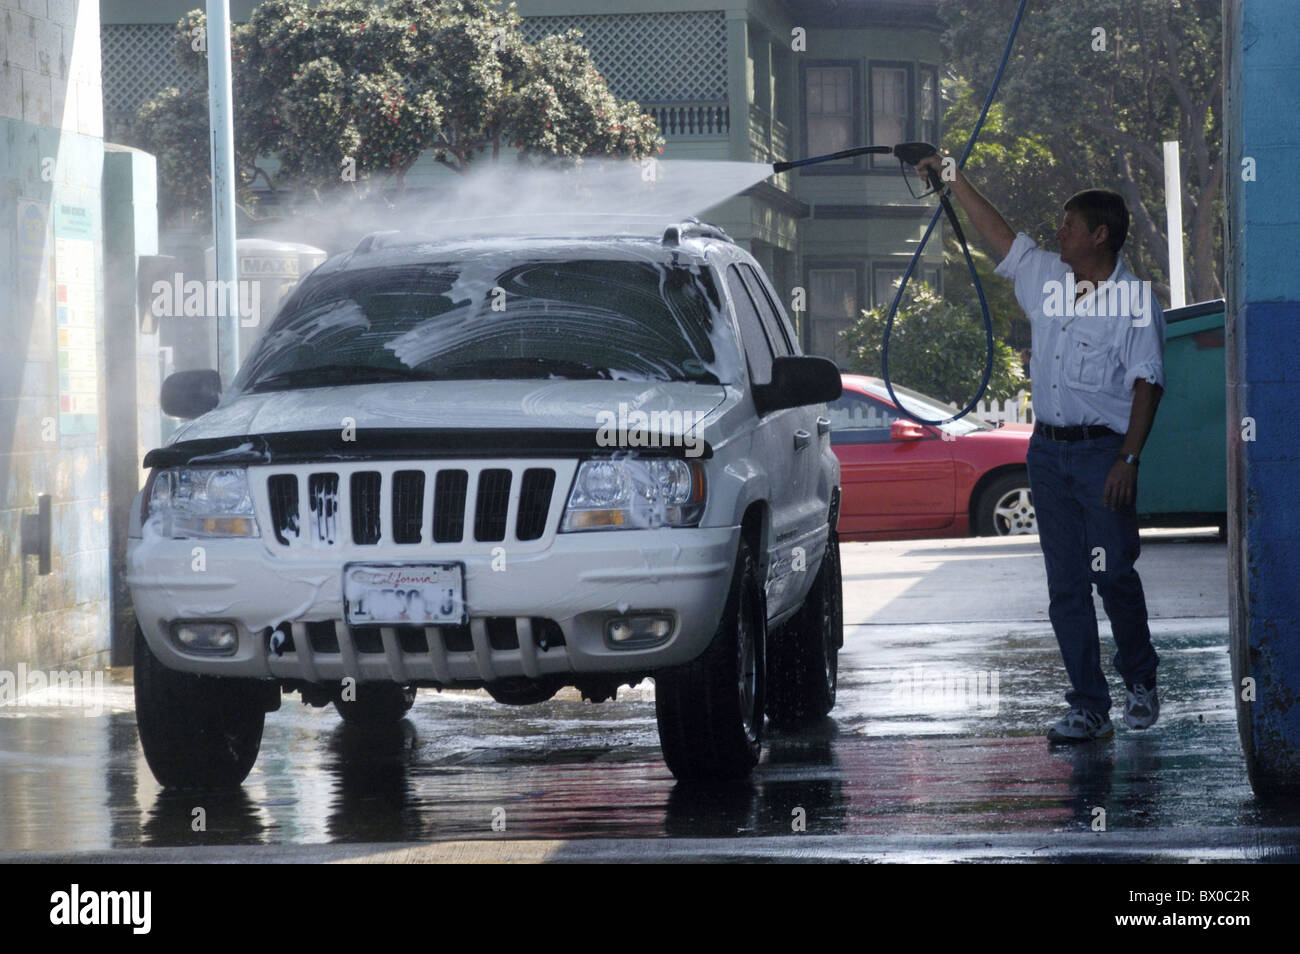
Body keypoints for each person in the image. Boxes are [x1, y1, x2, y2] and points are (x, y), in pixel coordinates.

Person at [915, 152, 1165, 743]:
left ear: (1100, 235)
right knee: (1066, 585)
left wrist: (1128, 460)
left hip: (1103, 456)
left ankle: (1140, 679)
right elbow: (1001, 235)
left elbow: (1148, 382)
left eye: (1070, 225)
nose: (1060, 232)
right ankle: (1087, 706)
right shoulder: (1049, 277)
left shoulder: (1134, 301)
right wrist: (953, 176)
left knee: (1114, 577)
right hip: (1047, 456)